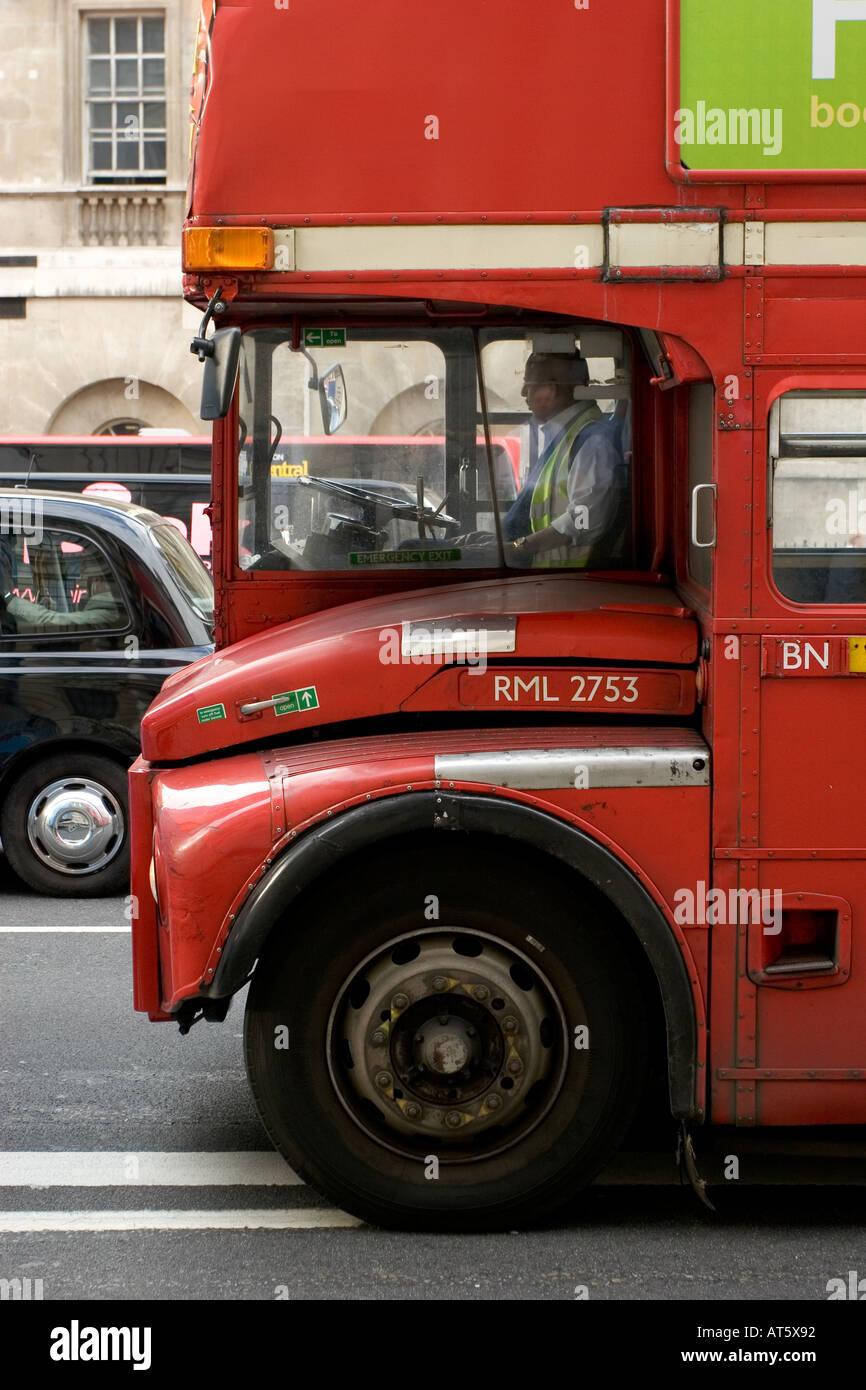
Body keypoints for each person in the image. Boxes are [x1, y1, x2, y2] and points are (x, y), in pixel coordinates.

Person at [502, 351, 626, 568]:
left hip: (568, 579)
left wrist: (518, 548)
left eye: (529, 384)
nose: (523, 393)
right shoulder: (567, 435)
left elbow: (585, 519)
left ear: (550, 391)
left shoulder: (593, 441)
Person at [0, 542, 127, 634]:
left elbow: (53, 621)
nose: (79, 579)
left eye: (82, 572)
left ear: (97, 580)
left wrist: (10, 599)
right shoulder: (110, 609)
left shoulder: (105, 614)